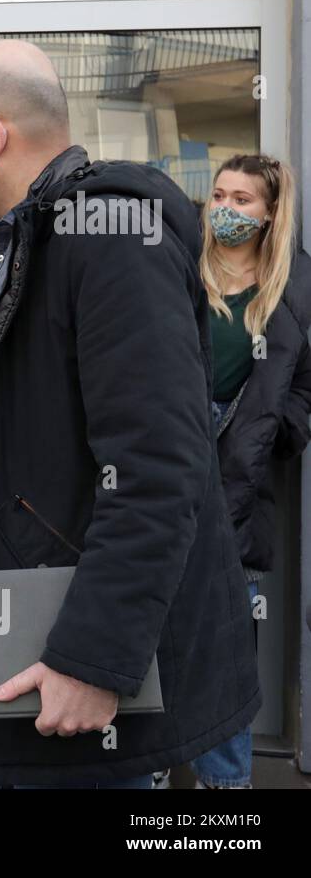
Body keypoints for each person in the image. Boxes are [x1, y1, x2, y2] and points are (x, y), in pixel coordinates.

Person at [0, 40, 261, 788]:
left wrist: (92, 655)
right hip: (1, 652)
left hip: (68, 675)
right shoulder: (7, 240)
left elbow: (157, 465)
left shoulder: (109, 235)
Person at [187, 153, 311, 787]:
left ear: (269, 213)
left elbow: (305, 389)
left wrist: (276, 433)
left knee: (227, 650)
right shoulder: (180, 265)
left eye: (243, 200)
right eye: (219, 195)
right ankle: (142, 769)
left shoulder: (294, 287)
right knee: (145, 636)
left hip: (239, 477)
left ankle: (224, 797)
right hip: (164, 464)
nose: (226, 210)